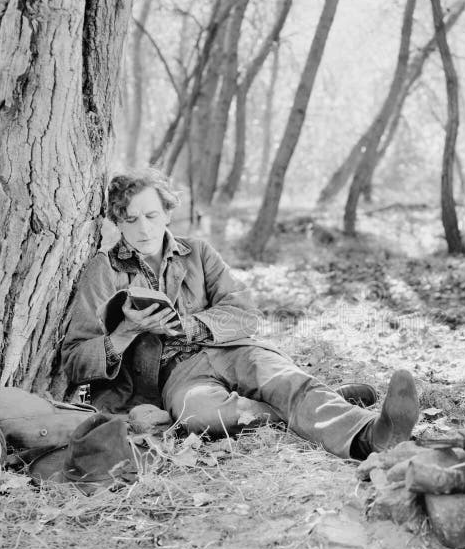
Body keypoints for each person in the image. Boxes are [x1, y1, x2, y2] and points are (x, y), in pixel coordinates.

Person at [60, 170, 419, 460]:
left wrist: (189, 325)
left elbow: (245, 313)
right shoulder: (104, 270)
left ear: (168, 213)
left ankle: (372, 435)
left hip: (230, 349)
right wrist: (125, 332)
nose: (143, 229)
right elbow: (75, 359)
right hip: (175, 379)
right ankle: (304, 407)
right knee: (199, 414)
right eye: (131, 219)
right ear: (117, 222)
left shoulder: (197, 252)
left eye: (152, 216)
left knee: (281, 378)